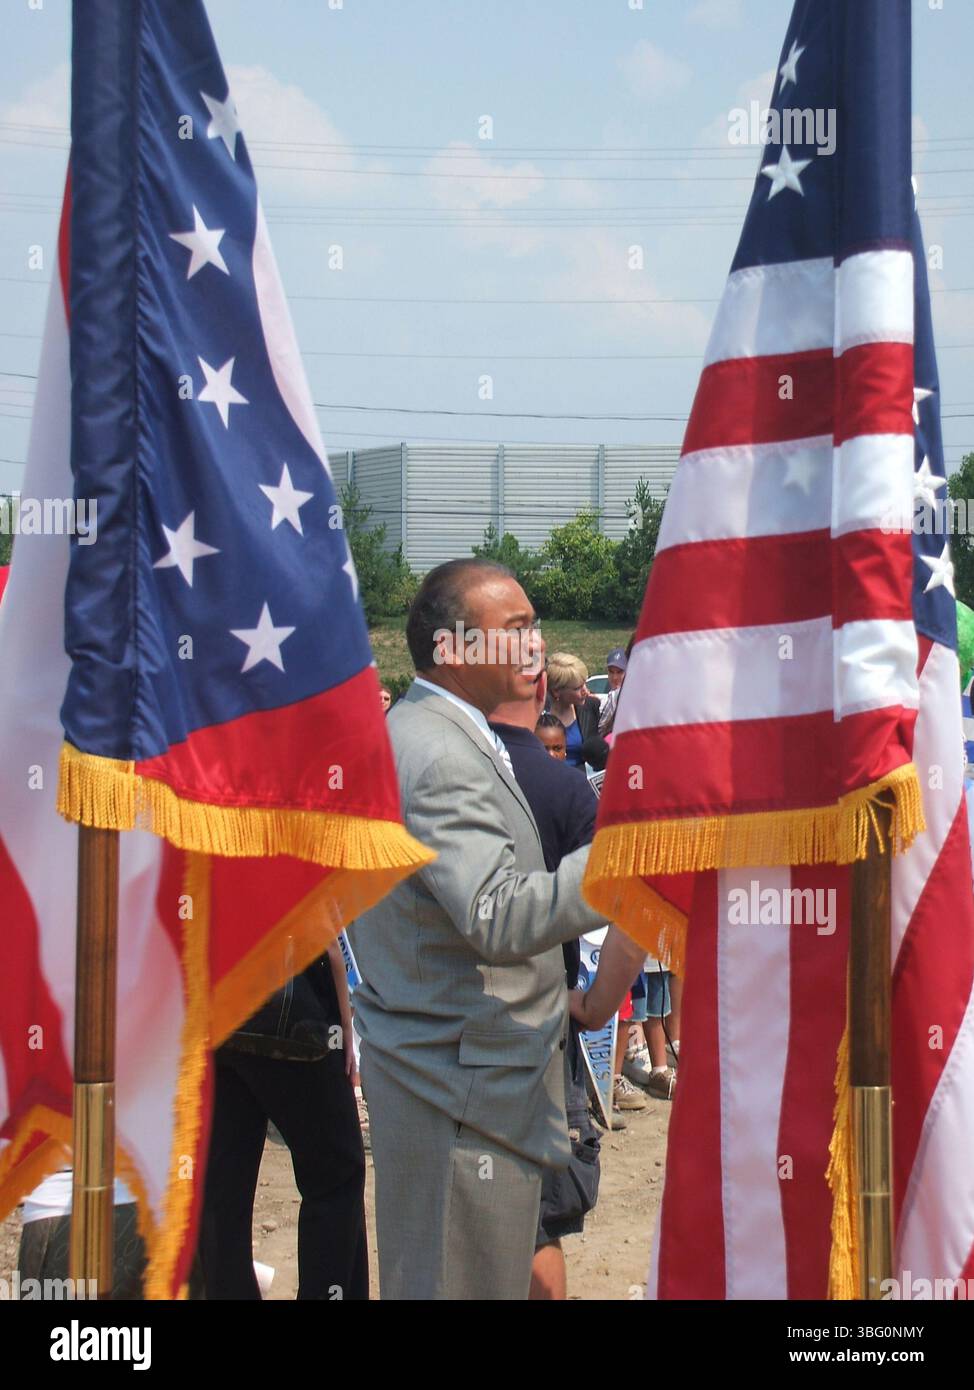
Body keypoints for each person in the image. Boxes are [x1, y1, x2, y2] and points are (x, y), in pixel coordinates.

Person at [348, 559, 605, 1300]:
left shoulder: (446, 732)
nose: (535, 645)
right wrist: (627, 863)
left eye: (535, 626)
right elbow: (495, 913)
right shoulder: (435, 751)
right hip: (457, 1087)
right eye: (514, 629)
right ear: (453, 650)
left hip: (464, 1080)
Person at [490, 670, 602, 1300]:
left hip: (446, 1028)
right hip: (544, 1021)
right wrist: (595, 1002)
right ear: (542, 697)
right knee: (540, 1217)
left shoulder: (432, 776)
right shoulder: (566, 788)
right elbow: (629, 901)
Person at [199, 943, 368, 1300]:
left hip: (215, 1003)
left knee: (222, 1189)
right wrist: (345, 1017)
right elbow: (327, 930)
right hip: (297, 1013)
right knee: (337, 1178)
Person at [545, 652, 608, 770]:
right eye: (577, 688)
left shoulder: (591, 706)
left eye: (585, 683)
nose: (585, 690)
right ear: (556, 691)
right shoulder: (537, 715)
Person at [598, 646, 628, 736]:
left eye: (619, 672)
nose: (615, 677)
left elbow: (601, 729)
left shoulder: (616, 695)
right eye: (611, 672)